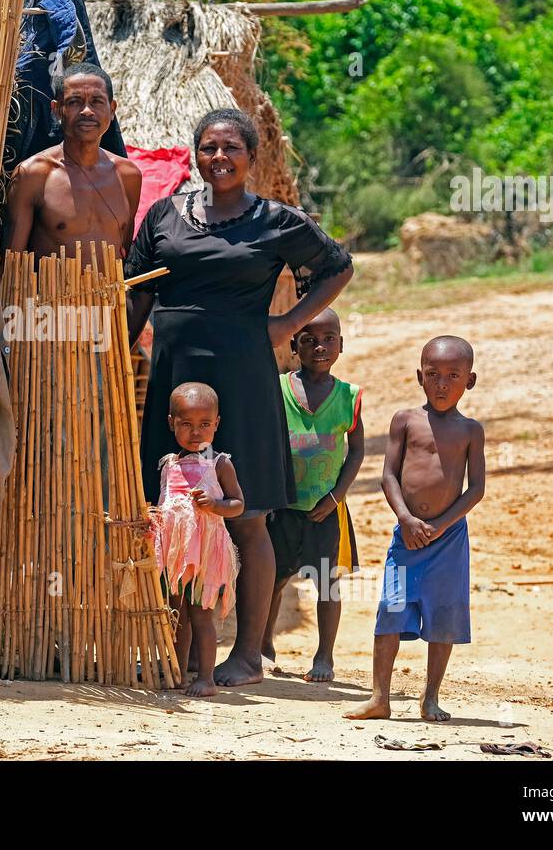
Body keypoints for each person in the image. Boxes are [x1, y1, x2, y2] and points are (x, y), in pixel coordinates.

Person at [126, 107, 354, 687]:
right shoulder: (164, 216)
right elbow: (134, 296)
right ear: (195, 155)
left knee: (248, 514)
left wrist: (286, 325)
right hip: (177, 383)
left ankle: (248, 654)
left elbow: (337, 266)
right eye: (209, 147)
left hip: (247, 379)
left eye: (231, 147)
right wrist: (107, 351)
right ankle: (170, 649)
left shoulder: (276, 220)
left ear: (252, 157)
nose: (219, 158)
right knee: (170, 508)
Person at [345, 336, 486, 722]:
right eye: (433, 375)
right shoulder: (405, 420)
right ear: (419, 377)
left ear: (469, 381)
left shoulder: (470, 430)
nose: (442, 384)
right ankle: (379, 698)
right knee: (389, 612)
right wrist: (406, 519)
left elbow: (476, 489)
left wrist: (439, 526)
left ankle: (431, 697)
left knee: (443, 617)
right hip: (406, 537)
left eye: (452, 376)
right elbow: (388, 476)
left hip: (449, 540)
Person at [264, 307, 364, 683]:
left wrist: (337, 496)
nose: (319, 347)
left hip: (327, 509)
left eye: (328, 340)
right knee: (273, 579)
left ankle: (324, 656)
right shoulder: (278, 388)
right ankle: (263, 646)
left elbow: (356, 451)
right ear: (294, 345)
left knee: (327, 582)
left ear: (341, 344)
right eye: (308, 340)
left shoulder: (348, 396)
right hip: (283, 505)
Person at [151, 382, 244, 698]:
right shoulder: (169, 464)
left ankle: (206, 678)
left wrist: (215, 505)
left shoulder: (220, 463)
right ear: (171, 423)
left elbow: (237, 504)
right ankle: (176, 671)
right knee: (176, 616)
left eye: (205, 424)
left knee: (202, 615)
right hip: (176, 559)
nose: (196, 432)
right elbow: (166, 506)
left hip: (205, 557)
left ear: (217, 424)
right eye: (186, 424)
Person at [3, 62, 142, 262]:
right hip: (49, 293)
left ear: (112, 110)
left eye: (97, 101)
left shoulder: (128, 175)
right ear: (57, 109)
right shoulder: (33, 175)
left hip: (110, 293)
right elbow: (11, 264)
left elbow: (123, 251)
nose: (87, 111)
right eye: (75, 102)